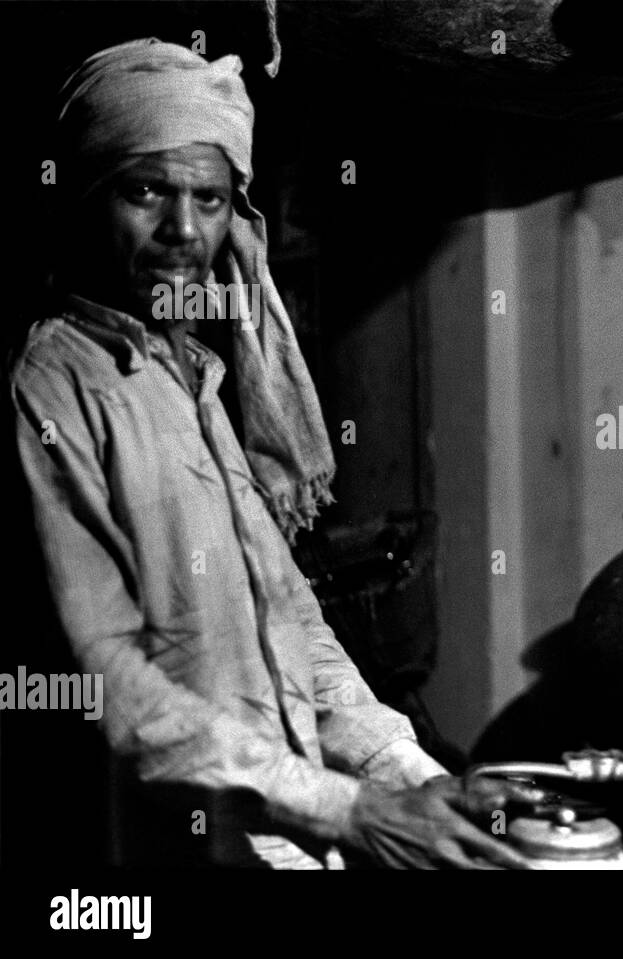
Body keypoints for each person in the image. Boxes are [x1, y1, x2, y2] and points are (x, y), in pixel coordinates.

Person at [6, 38, 534, 869]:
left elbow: (290, 621)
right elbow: (107, 685)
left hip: (283, 847)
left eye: (210, 200)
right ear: (86, 197)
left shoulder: (197, 380)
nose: (184, 231)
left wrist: (409, 775)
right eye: (147, 191)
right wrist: (347, 809)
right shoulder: (53, 389)